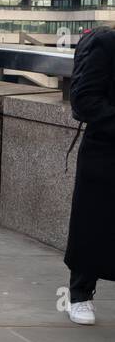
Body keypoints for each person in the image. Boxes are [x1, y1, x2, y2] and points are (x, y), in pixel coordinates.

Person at [64, 26, 115, 325]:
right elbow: (83, 100)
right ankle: (80, 293)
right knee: (92, 221)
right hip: (105, 149)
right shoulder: (104, 43)